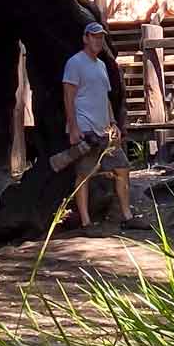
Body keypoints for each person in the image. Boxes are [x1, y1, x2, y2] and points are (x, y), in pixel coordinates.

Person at [62, 18, 144, 231]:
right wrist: (73, 128)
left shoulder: (101, 66)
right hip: (84, 128)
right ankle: (86, 221)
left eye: (101, 37)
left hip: (104, 129)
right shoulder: (74, 63)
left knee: (122, 168)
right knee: (84, 174)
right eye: (95, 37)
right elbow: (68, 97)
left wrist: (113, 122)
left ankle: (127, 216)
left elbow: (105, 98)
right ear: (85, 39)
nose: (99, 41)